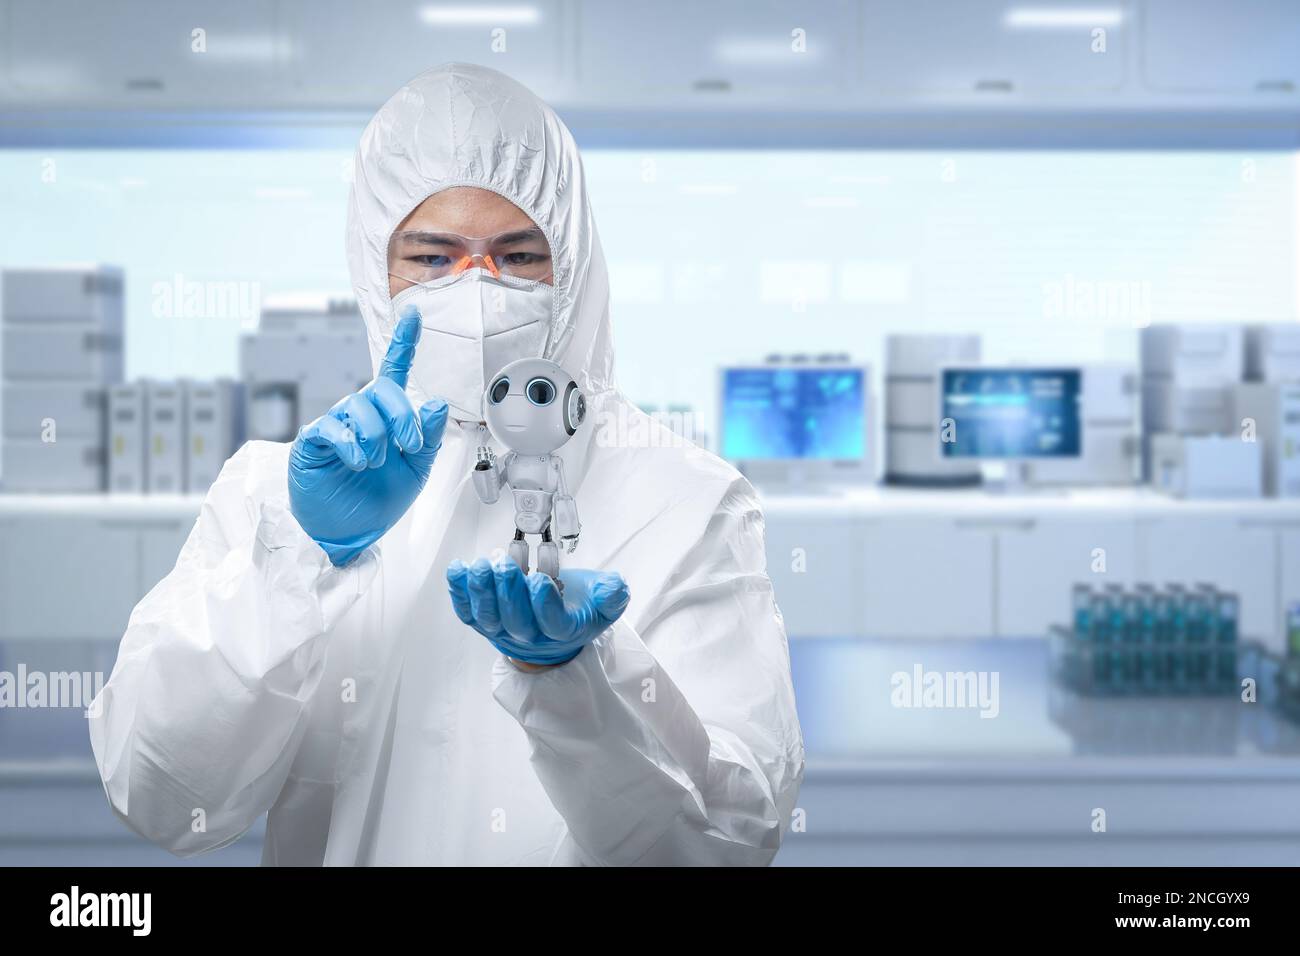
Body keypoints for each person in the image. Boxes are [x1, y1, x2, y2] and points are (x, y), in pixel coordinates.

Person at [89, 63, 804, 866]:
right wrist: (297, 559)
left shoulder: (683, 498)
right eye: (433, 260)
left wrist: (583, 687)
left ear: (572, 268)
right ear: (375, 274)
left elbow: (732, 839)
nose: (476, 291)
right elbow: (165, 797)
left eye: (517, 255)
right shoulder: (278, 494)